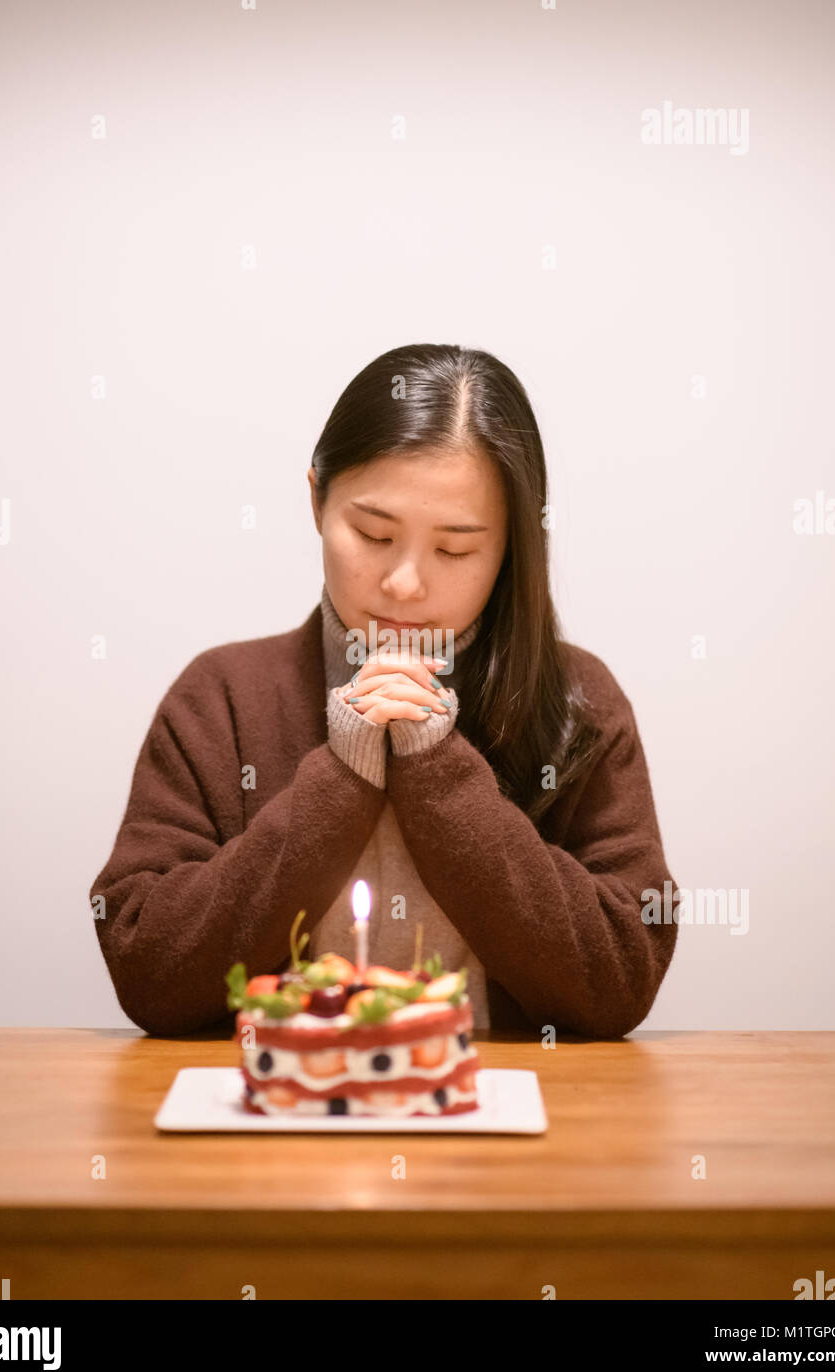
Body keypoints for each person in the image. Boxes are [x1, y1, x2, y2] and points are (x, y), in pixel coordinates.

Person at [89, 343, 679, 1038]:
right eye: (373, 535)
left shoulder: (579, 701)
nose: (405, 583)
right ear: (316, 499)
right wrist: (340, 778)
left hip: (505, 1124)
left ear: (511, 548)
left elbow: (620, 977)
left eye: (455, 549)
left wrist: (439, 771)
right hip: (272, 1127)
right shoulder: (221, 697)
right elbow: (147, 969)